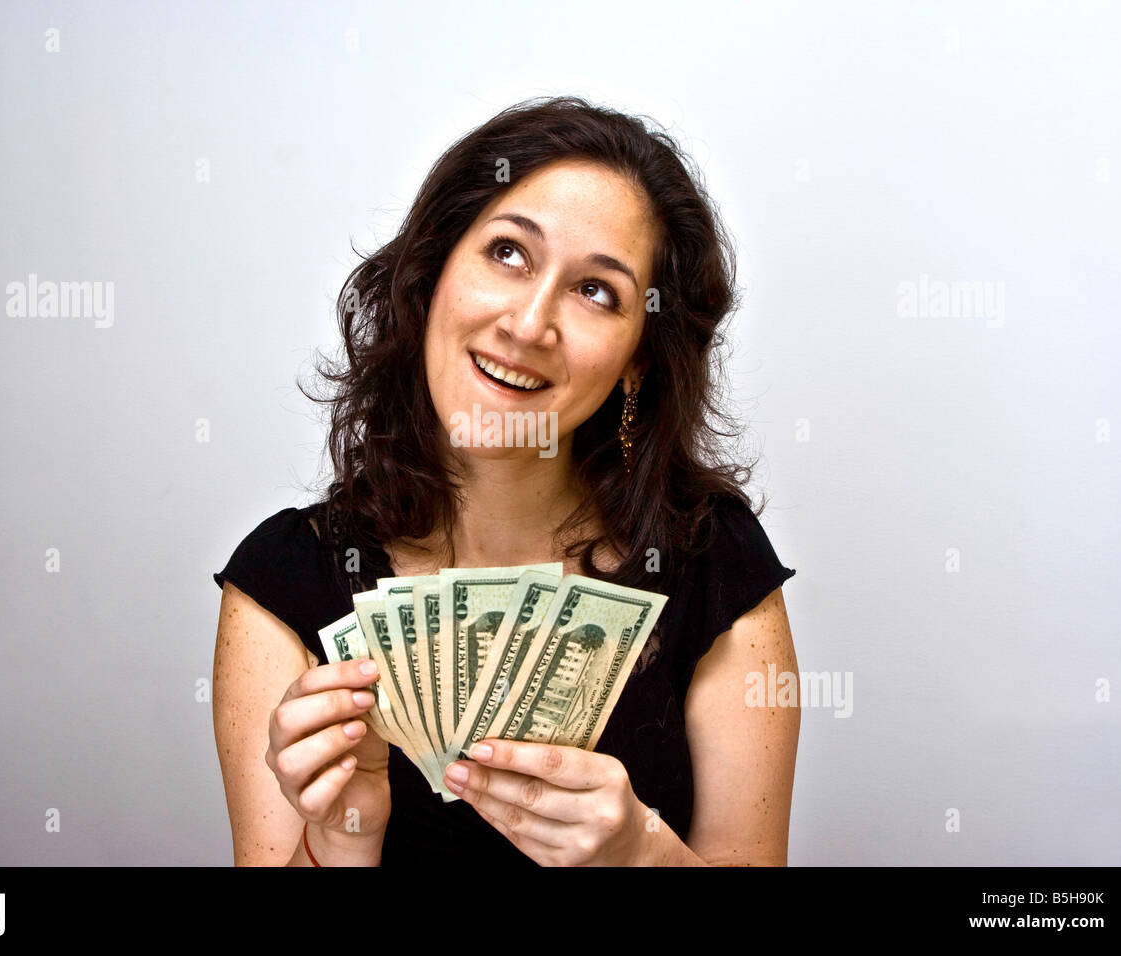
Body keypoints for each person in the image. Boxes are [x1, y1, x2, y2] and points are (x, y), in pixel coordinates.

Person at [212, 96, 799, 866]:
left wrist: (639, 853)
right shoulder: (282, 585)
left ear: (639, 361)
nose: (527, 324)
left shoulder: (714, 564)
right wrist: (340, 833)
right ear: (432, 276)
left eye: (596, 291)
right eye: (509, 254)